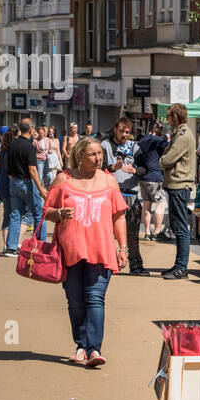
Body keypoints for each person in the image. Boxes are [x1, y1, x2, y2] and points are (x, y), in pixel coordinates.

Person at [43, 136, 129, 367]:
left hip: (101, 250)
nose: (98, 158)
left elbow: (118, 216)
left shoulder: (110, 182)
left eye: (100, 153)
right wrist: (59, 213)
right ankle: (81, 345)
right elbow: (46, 210)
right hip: (69, 251)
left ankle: (94, 349)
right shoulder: (64, 179)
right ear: (79, 156)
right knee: (76, 302)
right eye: (92, 154)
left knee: (95, 299)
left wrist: (123, 248)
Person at [100, 117, 147, 275]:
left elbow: (144, 168)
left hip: (131, 194)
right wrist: (114, 167)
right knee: (108, 232)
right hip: (111, 193)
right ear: (115, 129)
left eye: (127, 132)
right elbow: (101, 168)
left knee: (132, 232)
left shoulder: (134, 146)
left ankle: (136, 265)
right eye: (121, 131)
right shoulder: (105, 145)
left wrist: (134, 171)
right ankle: (109, 263)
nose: (124, 134)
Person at [159, 104, 195, 280]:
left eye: (169, 116)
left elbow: (167, 159)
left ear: (175, 116)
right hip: (176, 185)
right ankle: (179, 265)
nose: (167, 119)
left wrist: (162, 160)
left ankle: (181, 267)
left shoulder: (182, 135)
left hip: (179, 185)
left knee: (180, 228)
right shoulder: (180, 133)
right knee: (177, 226)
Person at [5, 118, 48, 256]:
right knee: (39, 214)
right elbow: (33, 169)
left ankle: (11, 247)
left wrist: (13, 180)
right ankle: (40, 245)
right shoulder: (30, 146)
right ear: (30, 129)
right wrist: (41, 189)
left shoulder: (13, 144)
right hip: (27, 182)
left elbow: (8, 167)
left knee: (15, 214)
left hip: (14, 181)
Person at [137, 121, 168, 242]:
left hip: (143, 176)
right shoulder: (157, 140)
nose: (162, 130)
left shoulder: (141, 140)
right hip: (155, 175)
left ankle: (147, 232)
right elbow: (170, 147)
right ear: (155, 128)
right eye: (161, 128)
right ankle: (157, 232)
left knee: (146, 203)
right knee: (160, 203)